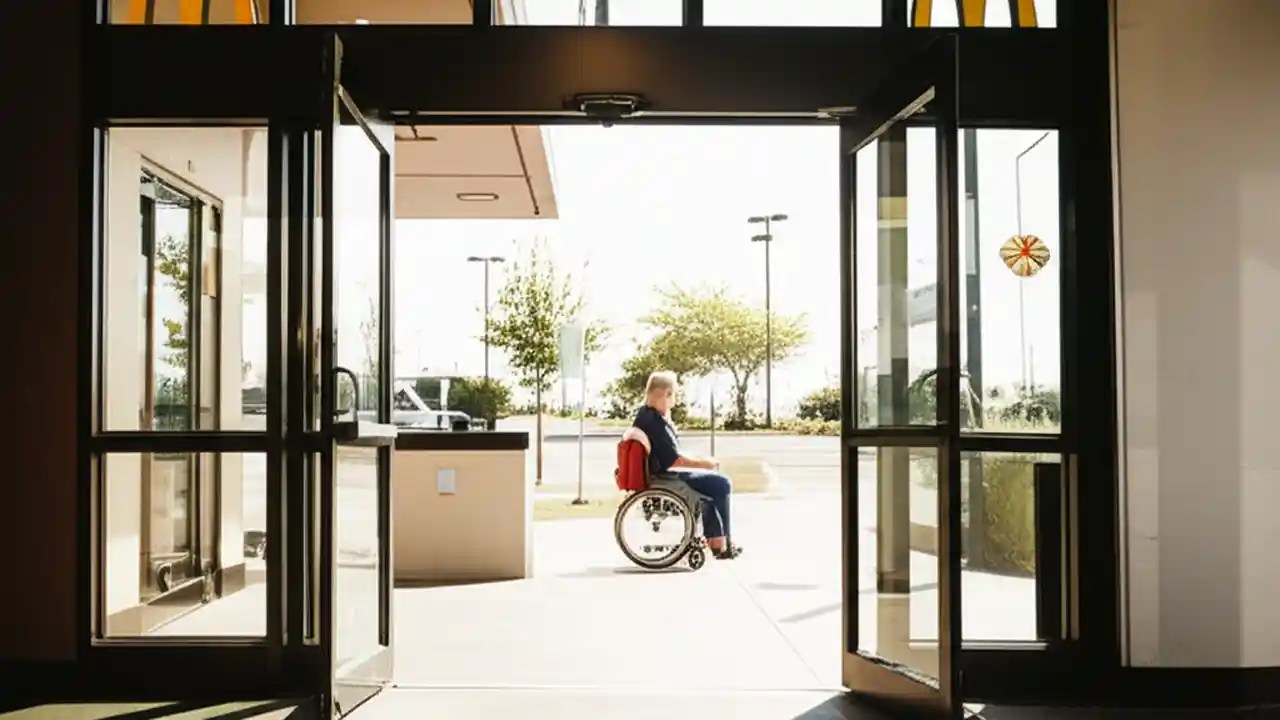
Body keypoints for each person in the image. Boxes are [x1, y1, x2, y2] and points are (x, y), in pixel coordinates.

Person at [632, 371, 742, 559]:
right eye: (673, 395)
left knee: (715, 482)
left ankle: (717, 539)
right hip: (666, 479)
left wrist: (700, 461)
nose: (675, 401)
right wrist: (705, 464)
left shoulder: (647, 416)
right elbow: (675, 460)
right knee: (721, 483)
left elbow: (673, 454)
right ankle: (722, 542)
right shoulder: (655, 423)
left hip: (662, 474)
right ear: (666, 394)